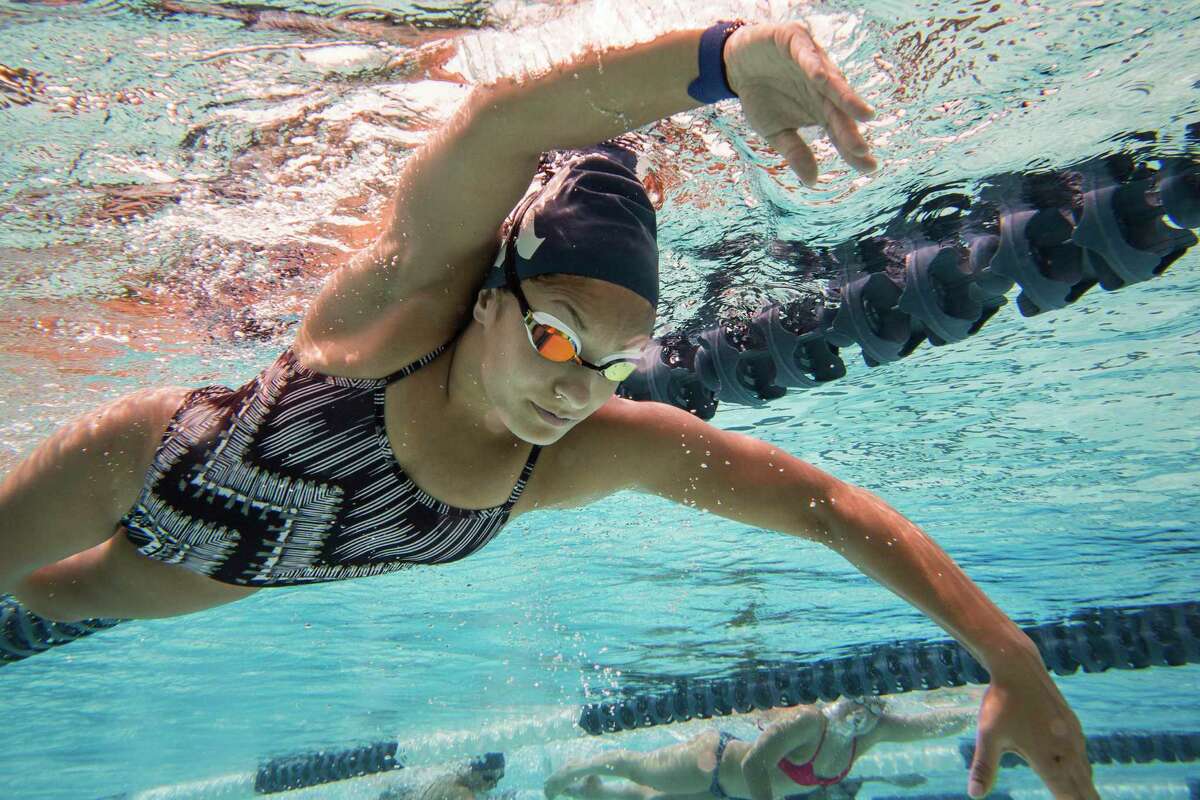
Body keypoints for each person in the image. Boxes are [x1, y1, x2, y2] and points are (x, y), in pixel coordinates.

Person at [0, 16, 1094, 799]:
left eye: (614, 366)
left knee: (51, 594)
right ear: (492, 296)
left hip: (221, 575)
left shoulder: (573, 454)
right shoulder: (395, 316)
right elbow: (499, 120)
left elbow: (823, 505)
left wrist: (1015, 659)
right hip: (152, 464)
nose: (577, 391)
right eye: (558, 336)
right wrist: (721, 59)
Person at [543, 698, 965, 800]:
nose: (857, 714)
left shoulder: (870, 734)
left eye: (870, 707)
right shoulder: (810, 721)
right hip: (711, 763)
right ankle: (572, 770)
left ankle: (590, 791)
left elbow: (928, 725)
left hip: (732, 794)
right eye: (852, 702)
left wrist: (977, 711)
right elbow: (756, 765)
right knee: (639, 769)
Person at [379, 752, 508, 800]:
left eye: (499, 778)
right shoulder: (462, 793)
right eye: (488, 778)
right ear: (472, 772)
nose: (494, 784)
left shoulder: (449, 777)